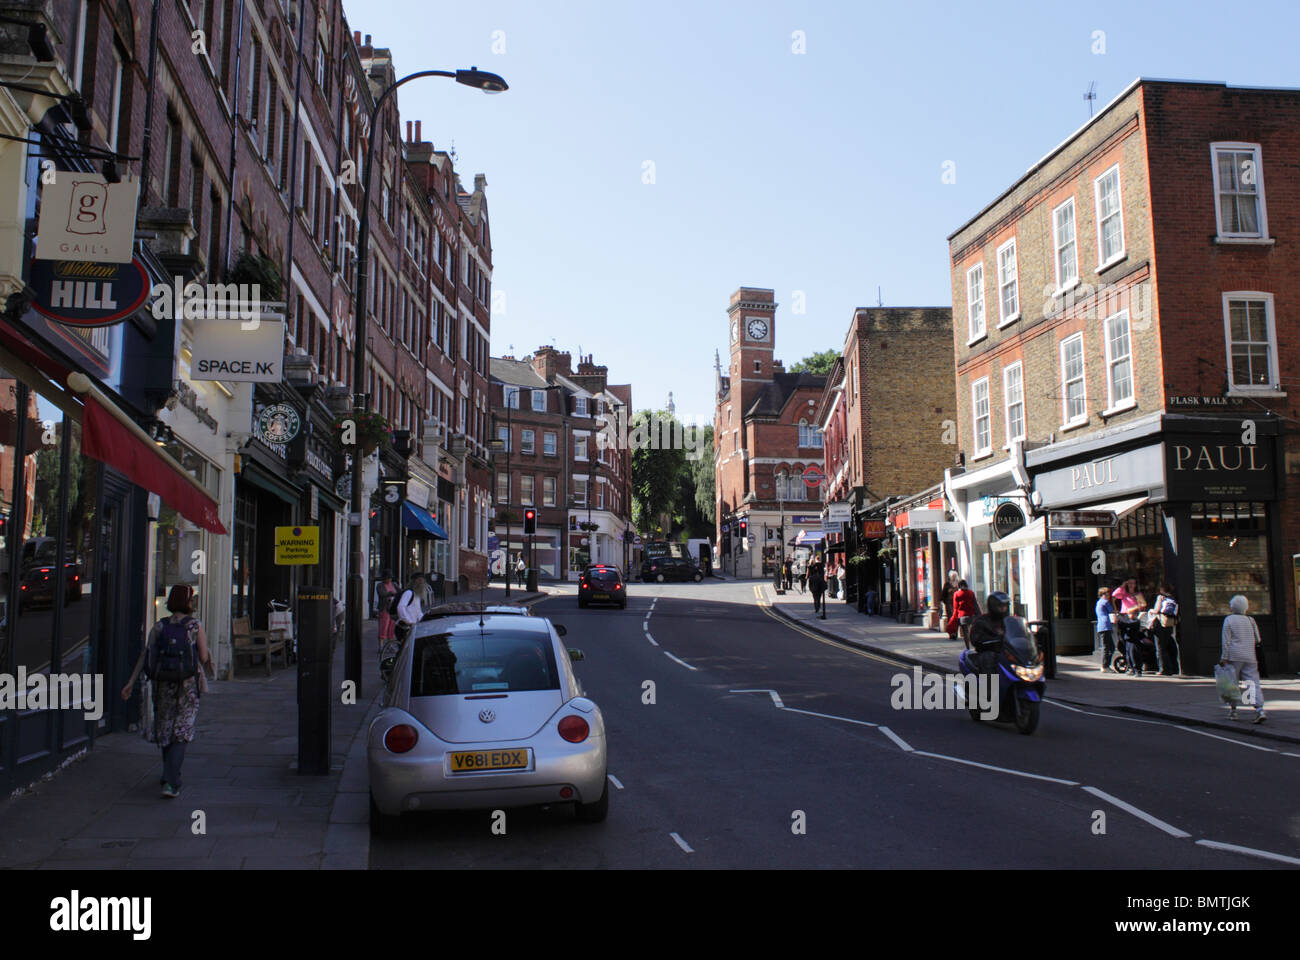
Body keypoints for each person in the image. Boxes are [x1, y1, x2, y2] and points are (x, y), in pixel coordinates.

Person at [121, 585, 214, 799]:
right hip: (187, 686)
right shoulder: (194, 626)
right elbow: (203, 656)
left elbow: (146, 655)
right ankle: (172, 781)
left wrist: (130, 682)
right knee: (181, 730)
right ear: (188, 602)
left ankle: (168, 775)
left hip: (162, 685)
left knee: (165, 728)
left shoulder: (160, 626)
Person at [1219, 595, 1265, 723]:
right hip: (1250, 655)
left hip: (1234, 656)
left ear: (1232, 606)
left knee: (1231, 683)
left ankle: (1233, 711)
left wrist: (1224, 657)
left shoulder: (1229, 620)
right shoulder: (1250, 620)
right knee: (1251, 682)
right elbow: (1258, 639)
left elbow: (1226, 641)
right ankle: (1259, 709)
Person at [967, 591, 1011, 675]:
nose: (1003, 608)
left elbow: (1019, 632)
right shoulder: (982, 621)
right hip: (990, 652)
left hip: (1008, 652)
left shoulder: (1010, 620)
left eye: (1005, 606)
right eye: (1000, 606)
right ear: (993, 606)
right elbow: (975, 638)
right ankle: (989, 687)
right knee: (988, 659)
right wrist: (990, 640)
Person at [1149, 584, 1180, 676]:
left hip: (1160, 623)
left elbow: (1157, 610)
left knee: (1160, 648)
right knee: (1167, 646)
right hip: (1169, 624)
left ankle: (1163, 668)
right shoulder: (1173, 598)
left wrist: (1151, 611)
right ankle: (1173, 668)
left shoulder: (1161, 597)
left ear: (1162, 590)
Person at [395, 572, 427, 642]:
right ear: (415, 582)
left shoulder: (417, 595)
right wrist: (408, 621)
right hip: (404, 628)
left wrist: (424, 620)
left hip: (412, 628)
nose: (422, 584)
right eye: (420, 581)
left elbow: (418, 612)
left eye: (423, 582)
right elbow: (400, 607)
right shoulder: (409, 593)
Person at [947, 578, 979, 645]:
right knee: (971, 631)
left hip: (962, 616)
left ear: (959, 585)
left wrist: (954, 616)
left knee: (965, 633)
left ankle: (967, 648)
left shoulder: (956, 594)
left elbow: (955, 607)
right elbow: (975, 604)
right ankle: (973, 644)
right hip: (971, 615)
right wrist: (979, 614)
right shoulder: (971, 593)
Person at [1096, 586, 1117, 672]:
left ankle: (1106, 665)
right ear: (1103, 594)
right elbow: (1112, 611)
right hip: (1105, 626)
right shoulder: (1105, 602)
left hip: (1102, 626)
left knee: (1109, 647)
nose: (1109, 596)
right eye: (1108, 594)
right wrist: (1114, 602)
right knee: (1108, 647)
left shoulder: (1099, 602)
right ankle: (1105, 666)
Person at [376, 570, 398, 652]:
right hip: (384, 608)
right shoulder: (380, 585)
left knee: (391, 627)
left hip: (392, 608)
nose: (389, 580)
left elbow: (399, 591)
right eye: (388, 578)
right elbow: (382, 594)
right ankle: (381, 646)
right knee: (383, 626)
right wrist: (391, 593)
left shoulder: (394, 584)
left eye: (390, 578)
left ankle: (390, 645)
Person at [808, 553, 827, 619]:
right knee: (818, 598)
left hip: (814, 589)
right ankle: (818, 607)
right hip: (818, 590)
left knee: (815, 598)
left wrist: (810, 589)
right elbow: (823, 585)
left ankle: (816, 607)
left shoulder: (812, 577)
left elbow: (809, 584)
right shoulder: (820, 578)